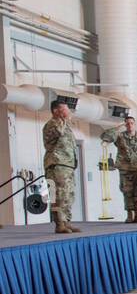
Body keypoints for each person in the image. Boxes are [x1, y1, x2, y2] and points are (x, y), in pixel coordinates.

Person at [100, 114, 137, 223]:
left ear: (135, 124)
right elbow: (105, 137)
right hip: (126, 169)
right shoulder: (120, 136)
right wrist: (118, 127)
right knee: (127, 192)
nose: (129, 125)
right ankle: (130, 215)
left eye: (131, 123)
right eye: (127, 124)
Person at [43, 99, 80, 234]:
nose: (68, 112)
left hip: (67, 165)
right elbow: (57, 133)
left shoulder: (66, 126)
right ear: (56, 111)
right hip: (56, 164)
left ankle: (66, 222)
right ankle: (59, 223)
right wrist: (63, 119)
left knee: (68, 195)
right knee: (58, 195)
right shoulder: (52, 124)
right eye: (65, 109)